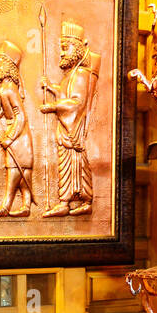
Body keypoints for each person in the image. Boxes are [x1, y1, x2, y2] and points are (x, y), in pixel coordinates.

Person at [39, 20, 100, 218]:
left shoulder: (81, 73)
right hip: (66, 131)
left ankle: (84, 201)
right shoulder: (70, 74)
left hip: (74, 131)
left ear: (78, 49)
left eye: (66, 48)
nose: (62, 53)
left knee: (78, 166)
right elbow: (65, 93)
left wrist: (53, 107)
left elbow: (76, 102)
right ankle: (65, 202)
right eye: (62, 49)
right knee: (67, 166)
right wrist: (52, 88)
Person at [0, 41, 34, 217]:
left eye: (1, 61)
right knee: (21, 174)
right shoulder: (3, 89)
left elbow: (21, 116)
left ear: (8, 65)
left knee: (16, 171)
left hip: (19, 135)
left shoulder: (11, 89)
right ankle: (26, 207)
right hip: (13, 132)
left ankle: (7, 206)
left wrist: (9, 137)